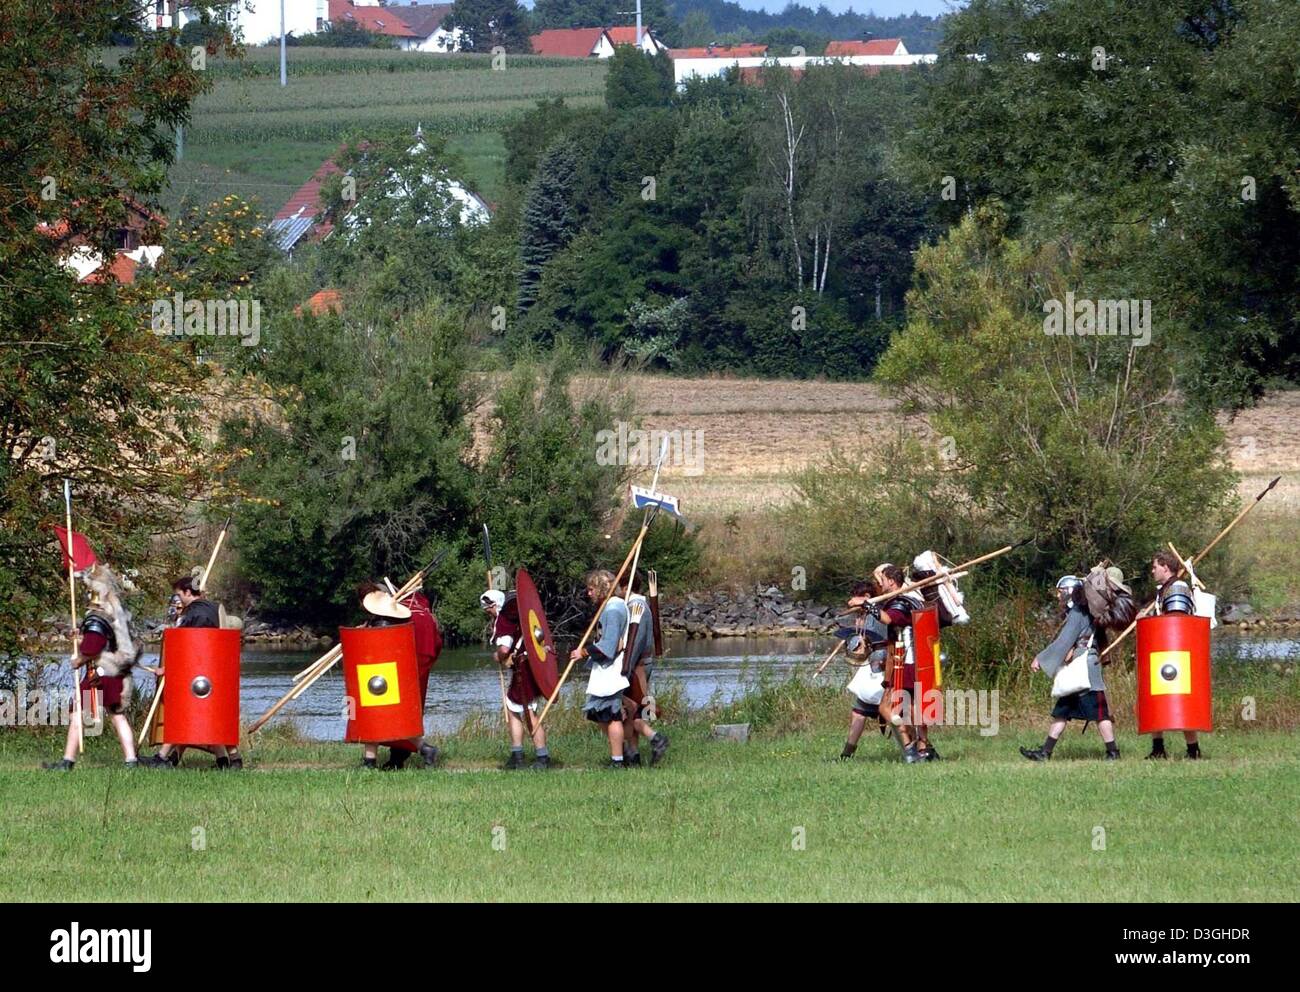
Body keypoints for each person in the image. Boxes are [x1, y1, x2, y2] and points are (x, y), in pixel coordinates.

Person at [43, 568, 141, 771]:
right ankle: (131, 761)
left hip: (98, 673)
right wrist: (80, 638)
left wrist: (79, 659)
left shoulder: (97, 616)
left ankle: (67, 762)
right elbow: (102, 642)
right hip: (116, 673)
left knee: (78, 713)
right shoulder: (115, 612)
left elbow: (93, 647)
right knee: (117, 714)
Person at [1020, 575, 1120, 761]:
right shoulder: (1085, 611)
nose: (1058, 597)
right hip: (1079, 666)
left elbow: (1064, 641)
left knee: (1100, 713)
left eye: (1060, 592)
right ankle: (1045, 752)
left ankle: (1113, 752)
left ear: (1068, 592)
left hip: (1085, 668)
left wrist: (1040, 659)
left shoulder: (1079, 612)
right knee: (1062, 712)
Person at [143, 575, 238, 770]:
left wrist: (167, 669)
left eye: (179, 594)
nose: (179, 598)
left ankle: (162, 758)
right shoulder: (214, 608)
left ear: (188, 592)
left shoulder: (192, 615)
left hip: (195, 675)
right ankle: (227, 760)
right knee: (211, 717)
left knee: (185, 714)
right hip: (215, 673)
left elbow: (188, 651)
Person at [354, 584, 441, 771]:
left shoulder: (388, 621)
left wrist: (364, 635)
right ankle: (417, 751)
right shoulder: (412, 609)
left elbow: (379, 648)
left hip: (388, 671)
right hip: (399, 668)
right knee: (391, 713)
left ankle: (374, 761)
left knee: (381, 711)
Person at [850, 564, 929, 763]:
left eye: (883, 580)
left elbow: (886, 618)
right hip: (914, 661)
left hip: (906, 662)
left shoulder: (901, 603)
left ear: (891, 582)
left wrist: (868, 605)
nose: (880, 584)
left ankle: (911, 748)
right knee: (912, 708)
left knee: (886, 708)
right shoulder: (912, 599)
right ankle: (922, 748)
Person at [480, 588, 552, 771]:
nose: (487, 612)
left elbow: (505, 649)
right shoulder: (522, 617)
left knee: (527, 712)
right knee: (514, 708)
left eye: (488, 608)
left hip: (523, 670)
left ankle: (540, 757)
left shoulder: (504, 620)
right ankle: (517, 754)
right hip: (530, 666)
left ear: (495, 605)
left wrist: (498, 656)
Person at [570, 569, 630, 769]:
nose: (589, 593)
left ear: (603, 588)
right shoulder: (610, 607)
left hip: (611, 670)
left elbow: (609, 646)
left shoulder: (613, 609)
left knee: (610, 715)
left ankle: (618, 760)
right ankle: (622, 751)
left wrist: (584, 653)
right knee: (599, 713)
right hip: (606, 669)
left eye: (591, 589)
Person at [1147, 550, 1203, 760]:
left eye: (1155, 567)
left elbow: (1176, 621)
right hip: (1162, 654)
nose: (1153, 571)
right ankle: (1158, 748)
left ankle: (1193, 749)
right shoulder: (1164, 589)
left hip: (1175, 654)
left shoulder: (1178, 587)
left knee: (1181, 702)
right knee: (1157, 700)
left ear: (1165, 567)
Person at [837, 579, 894, 761]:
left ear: (867, 597)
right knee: (859, 712)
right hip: (872, 666)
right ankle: (846, 755)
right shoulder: (866, 614)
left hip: (882, 666)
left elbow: (873, 640)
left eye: (856, 596)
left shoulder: (876, 614)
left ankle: (914, 750)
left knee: (892, 713)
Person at [621, 571, 668, 767]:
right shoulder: (635, 605)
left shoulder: (636, 607)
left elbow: (636, 641)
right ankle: (633, 755)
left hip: (637, 666)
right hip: (637, 665)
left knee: (632, 709)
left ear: (625, 587)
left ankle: (656, 738)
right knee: (633, 713)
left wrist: (624, 669)